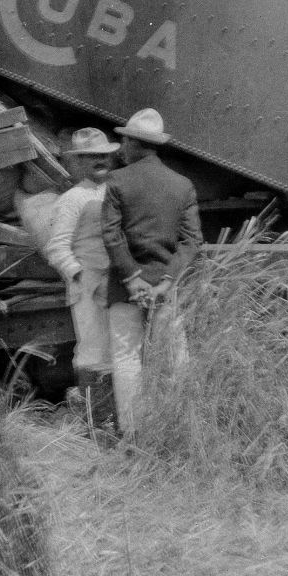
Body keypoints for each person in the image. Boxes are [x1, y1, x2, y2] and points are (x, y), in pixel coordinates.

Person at [101, 108, 203, 436]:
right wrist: (166, 281)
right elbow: (192, 240)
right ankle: (180, 429)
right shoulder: (182, 185)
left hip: (124, 286)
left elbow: (112, 235)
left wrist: (132, 278)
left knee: (126, 357)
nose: (120, 148)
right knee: (175, 356)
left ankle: (132, 433)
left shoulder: (117, 180)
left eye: (123, 141)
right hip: (165, 287)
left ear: (133, 142)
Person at [45, 128, 120, 427]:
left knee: (122, 349)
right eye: (91, 157)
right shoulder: (71, 200)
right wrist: (80, 276)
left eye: (103, 155)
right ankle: (97, 422)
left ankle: (119, 419)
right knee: (93, 348)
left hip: (118, 281)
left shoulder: (117, 191)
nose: (99, 161)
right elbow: (57, 248)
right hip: (87, 285)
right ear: (78, 163)